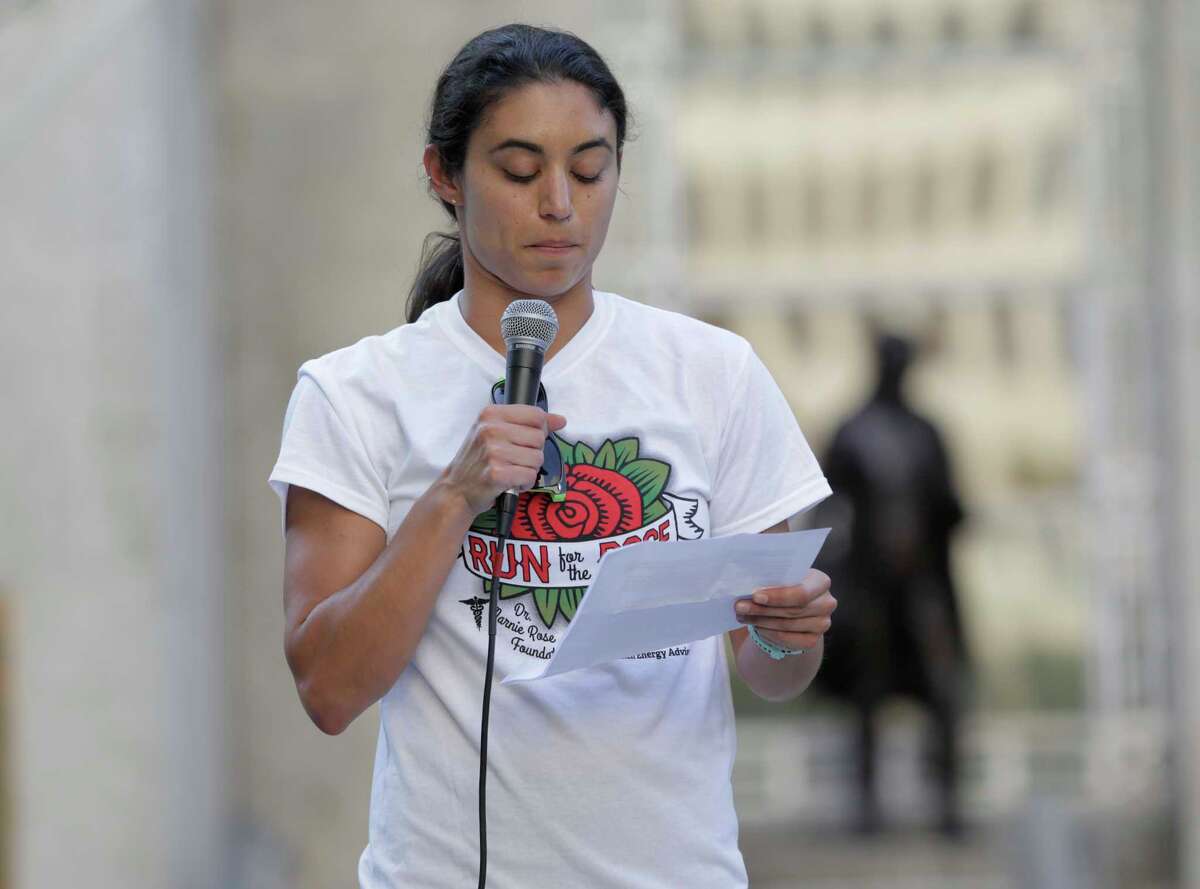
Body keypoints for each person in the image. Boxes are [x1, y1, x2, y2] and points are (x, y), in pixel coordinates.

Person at [268, 23, 836, 888]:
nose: (561, 205)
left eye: (589, 168)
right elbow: (330, 690)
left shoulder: (712, 373)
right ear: (444, 176)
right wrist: (453, 497)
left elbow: (771, 675)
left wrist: (790, 639)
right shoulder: (356, 394)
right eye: (522, 171)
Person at [810, 332, 970, 837]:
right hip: (869, 588)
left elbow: (949, 504)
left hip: (923, 585)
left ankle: (947, 804)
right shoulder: (853, 432)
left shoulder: (926, 432)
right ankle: (865, 805)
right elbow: (826, 504)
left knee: (943, 692)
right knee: (867, 694)